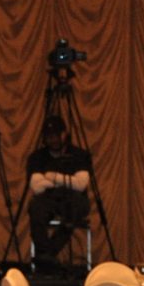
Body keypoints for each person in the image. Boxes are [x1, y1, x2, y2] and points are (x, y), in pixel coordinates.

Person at [25, 114, 92, 269]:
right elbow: (36, 186)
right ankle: (45, 254)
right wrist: (67, 180)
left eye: (56, 135)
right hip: (48, 198)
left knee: (74, 210)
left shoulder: (79, 155)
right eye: (49, 137)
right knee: (36, 208)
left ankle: (46, 255)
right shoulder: (37, 157)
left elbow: (81, 184)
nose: (53, 140)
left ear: (64, 134)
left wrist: (51, 176)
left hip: (75, 198)